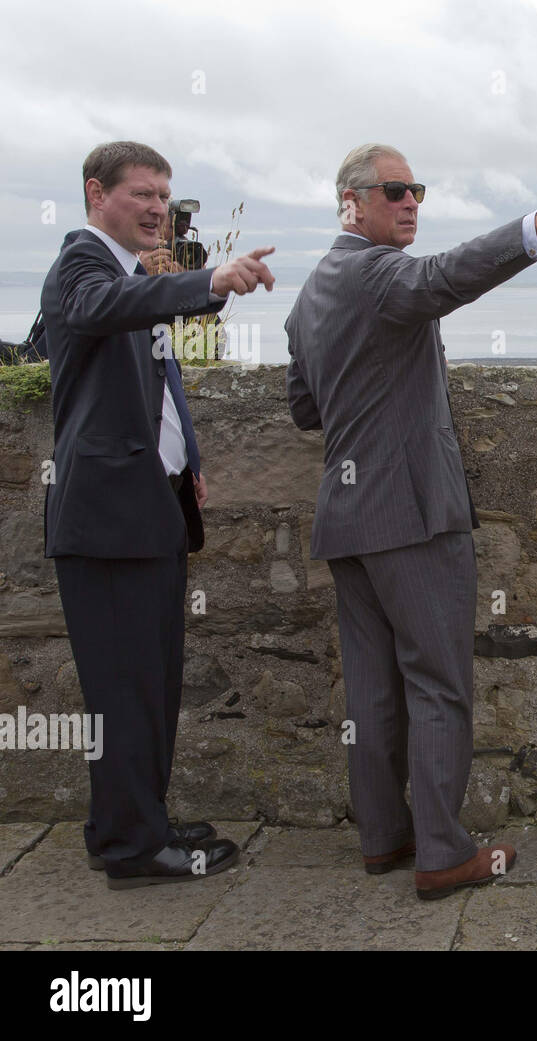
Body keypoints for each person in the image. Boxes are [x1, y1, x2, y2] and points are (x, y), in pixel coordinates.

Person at [285, 143, 537, 900]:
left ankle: (381, 837)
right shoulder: (381, 273)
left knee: (372, 689)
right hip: (412, 516)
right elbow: (445, 276)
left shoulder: (310, 294)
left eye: (417, 189)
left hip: (347, 516)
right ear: (352, 202)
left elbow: (306, 409)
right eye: (394, 190)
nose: (411, 201)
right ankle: (441, 851)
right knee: (437, 684)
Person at [42, 140, 276, 888]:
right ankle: (134, 850)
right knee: (126, 691)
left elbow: (156, 377)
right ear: (96, 193)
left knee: (149, 685)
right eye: (141, 193)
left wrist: (188, 463)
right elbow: (104, 311)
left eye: (163, 197)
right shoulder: (84, 266)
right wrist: (210, 278)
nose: (155, 209)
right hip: (106, 522)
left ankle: (129, 820)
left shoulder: (129, 273)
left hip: (147, 509)